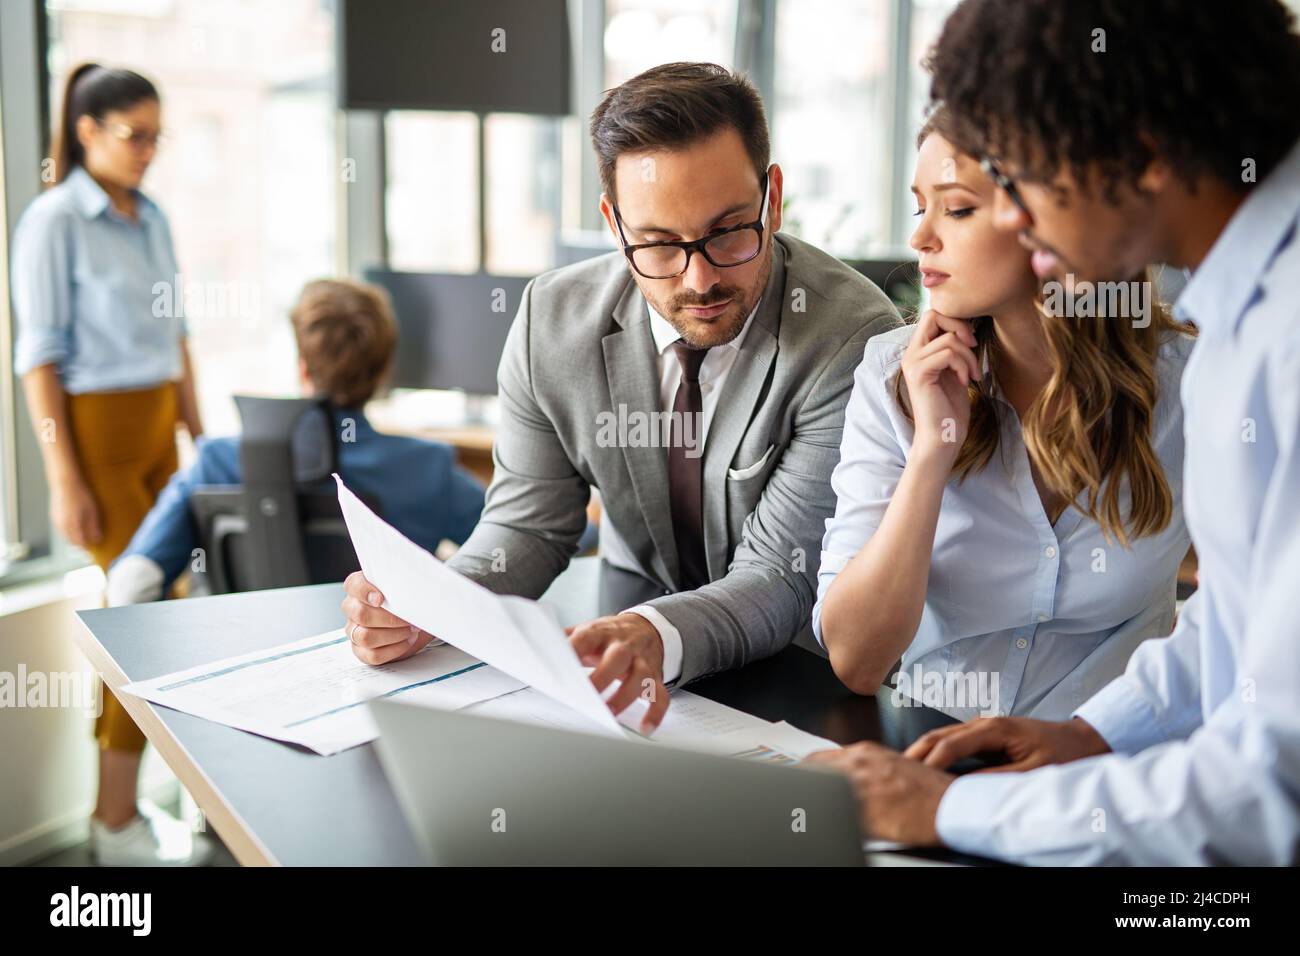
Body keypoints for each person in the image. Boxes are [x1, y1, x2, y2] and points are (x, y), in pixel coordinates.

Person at [807, 0, 1300, 865]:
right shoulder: (1244, 314)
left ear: (1137, 154)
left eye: (1021, 174)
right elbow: (1237, 621)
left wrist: (952, 815)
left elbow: (1271, 782)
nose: (1018, 216)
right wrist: (1093, 734)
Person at [341, 62, 900, 730]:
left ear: (772, 197)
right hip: (616, 679)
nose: (699, 278)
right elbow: (527, 527)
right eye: (660, 244)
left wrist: (648, 634)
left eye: (727, 232)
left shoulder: (850, 338)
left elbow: (781, 575)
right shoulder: (552, 319)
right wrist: (432, 605)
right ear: (614, 224)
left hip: (796, 688)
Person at [814, 110, 1196, 723]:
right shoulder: (893, 373)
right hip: (936, 753)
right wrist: (932, 453)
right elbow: (857, 659)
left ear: (1054, 224)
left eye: (958, 209)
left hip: (1112, 768)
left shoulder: (1189, 385)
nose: (921, 239)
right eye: (921, 208)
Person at [11, 64, 206, 865]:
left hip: (163, 427)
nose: (148, 150)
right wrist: (62, 478)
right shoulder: (53, 221)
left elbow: (179, 335)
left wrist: (203, 442)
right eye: (135, 135)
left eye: (157, 135)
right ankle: (114, 822)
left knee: (178, 617)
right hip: (99, 437)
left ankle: (157, 811)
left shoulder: (151, 215)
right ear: (87, 131)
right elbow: (38, 359)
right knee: (146, 622)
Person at [107, 278, 485, 605]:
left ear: (302, 368)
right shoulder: (427, 468)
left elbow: (132, 584)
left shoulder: (218, 461)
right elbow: (516, 553)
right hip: (384, 676)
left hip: (244, 674)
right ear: (383, 372)